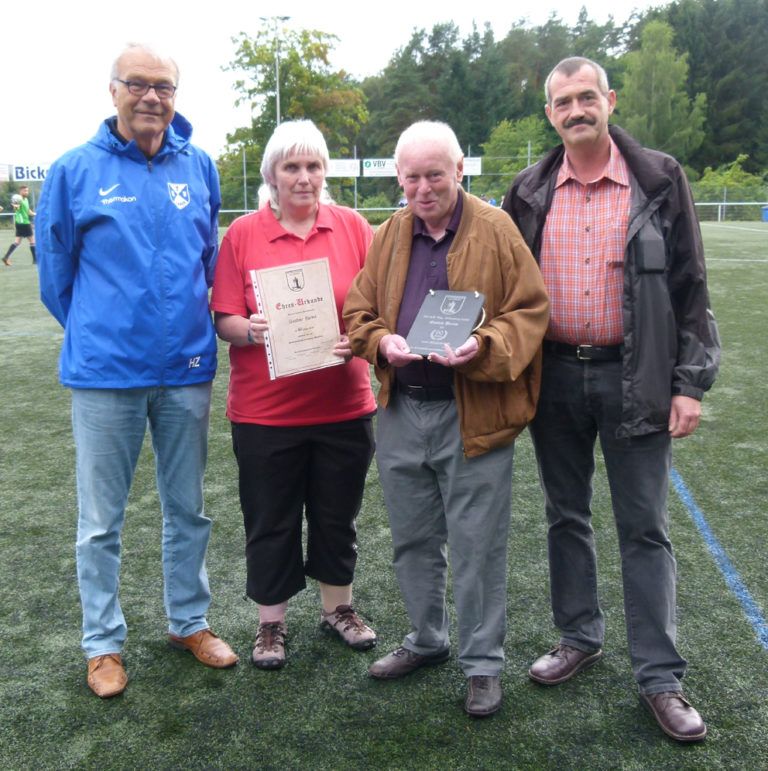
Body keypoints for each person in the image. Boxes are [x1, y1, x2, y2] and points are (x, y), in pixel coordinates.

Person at [502, 57, 720, 742]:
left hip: (640, 375)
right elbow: (501, 286)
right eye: (562, 101)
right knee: (565, 514)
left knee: (644, 527)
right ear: (550, 114)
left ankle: (660, 676)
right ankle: (580, 635)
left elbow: (691, 286)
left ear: (609, 100)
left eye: (586, 96)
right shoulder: (530, 189)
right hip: (556, 376)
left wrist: (689, 383)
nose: (576, 110)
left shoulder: (659, 179)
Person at [36, 43, 237, 699]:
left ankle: (188, 621)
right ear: (114, 90)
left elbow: (207, 259)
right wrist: (102, 330)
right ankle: (102, 643)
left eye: (165, 87)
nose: (152, 96)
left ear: (176, 97)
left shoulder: (198, 166)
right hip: (104, 375)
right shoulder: (73, 171)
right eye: (138, 84)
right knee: (101, 520)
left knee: (189, 508)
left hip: (186, 369)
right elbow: (55, 277)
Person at [343, 120, 549, 716]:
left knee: (477, 544)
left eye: (436, 174)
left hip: (473, 412)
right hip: (404, 411)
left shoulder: (497, 230)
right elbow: (359, 311)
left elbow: (529, 311)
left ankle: (483, 664)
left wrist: (482, 346)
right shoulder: (388, 236)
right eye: (412, 177)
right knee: (412, 539)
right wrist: (382, 343)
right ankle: (427, 640)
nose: (423, 187)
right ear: (399, 177)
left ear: (460, 171)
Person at [210, 119, 378, 670]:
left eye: (313, 166)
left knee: (337, 516)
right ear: (272, 175)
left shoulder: (353, 227)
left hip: (343, 408)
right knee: (271, 519)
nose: (303, 178)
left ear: (324, 172)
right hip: (265, 413)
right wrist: (250, 329)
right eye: (291, 167)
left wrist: (361, 336)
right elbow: (224, 317)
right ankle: (271, 624)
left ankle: (339, 610)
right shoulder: (242, 235)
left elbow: (378, 307)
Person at [3, 185, 36, 265]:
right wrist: (15, 205)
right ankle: (35, 260)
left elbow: (29, 212)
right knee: (32, 241)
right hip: (24, 223)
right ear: (20, 191)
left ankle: (6, 257)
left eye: (27, 191)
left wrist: (36, 214)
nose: (26, 192)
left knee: (17, 242)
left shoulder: (26, 200)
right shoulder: (19, 200)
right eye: (25, 191)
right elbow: (16, 208)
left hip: (20, 223)